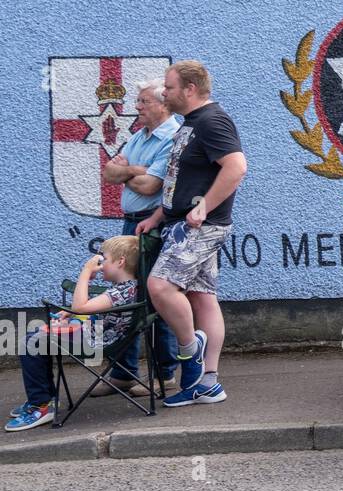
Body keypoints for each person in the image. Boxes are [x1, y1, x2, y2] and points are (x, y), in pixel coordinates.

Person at [137, 60, 247, 406]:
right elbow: (182, 178)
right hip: (182, 223)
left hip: (200, 227)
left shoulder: (213, 121)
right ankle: (207, 383)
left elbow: (236, 167)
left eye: (168, 88)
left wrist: (203, 207)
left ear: (190, 88)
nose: (163, 93)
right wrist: (159, 215)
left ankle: (190, 347)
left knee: (160, 285)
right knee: (202, 297)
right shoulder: (191, 123)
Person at [96, 78, 182, 397]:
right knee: (124, 295)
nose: (137, 107)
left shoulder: (172, 136)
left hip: (153, 225)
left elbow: (152, 187)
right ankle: (123, 373)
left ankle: (165, 374)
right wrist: (137, 170)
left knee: (154, 296)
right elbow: (108, 173)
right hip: (130, 224)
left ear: (163, 103)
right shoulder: (138, 137)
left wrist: (127, 172)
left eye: (143, 102)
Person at [6, 236, 140, 432]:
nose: (100, 266)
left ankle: (41, 406)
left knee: (31, 343)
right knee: (38, 336)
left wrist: (86, 272)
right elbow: (90, 306)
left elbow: (81, 306)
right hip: (99, 335)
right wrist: (72, 312)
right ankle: (43, 398)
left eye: (104, 260)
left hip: (97, 342)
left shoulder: (122, 293)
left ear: (120, 262)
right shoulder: (130, 288)